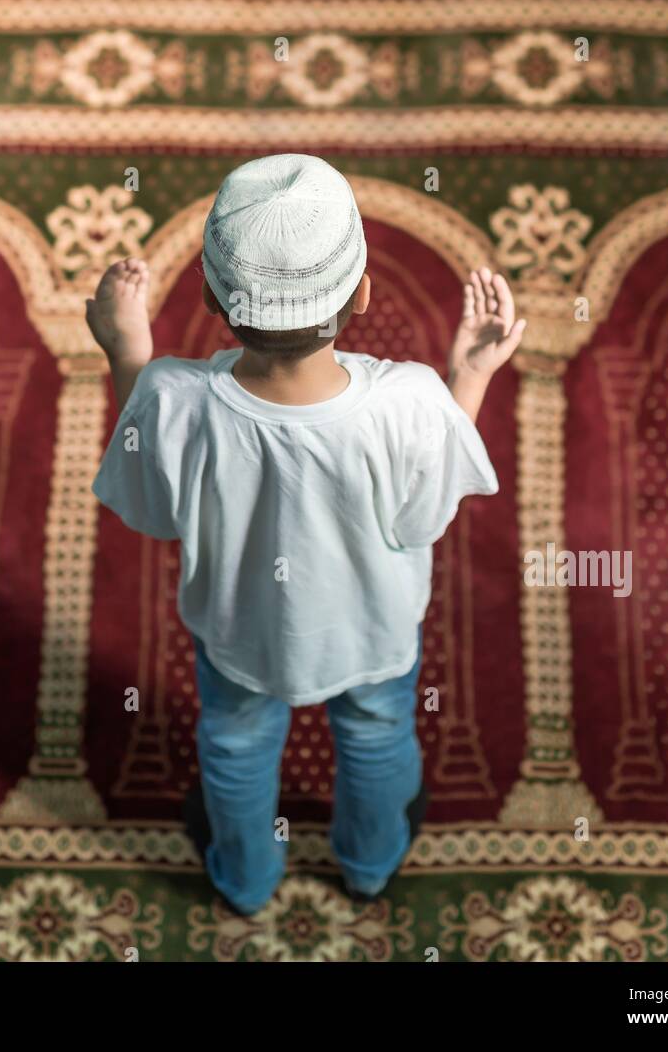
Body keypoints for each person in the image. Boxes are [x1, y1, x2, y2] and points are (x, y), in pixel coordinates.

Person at [88, 154, 525, 914]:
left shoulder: (171, 395)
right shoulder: (411, 401)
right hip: (373, 634)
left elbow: (152, 503)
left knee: (234, 745)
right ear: (361, 295)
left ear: (209, 298)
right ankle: (370, 861)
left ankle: (247, 879)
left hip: (240, 636)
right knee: (380, 733)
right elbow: (425, 515)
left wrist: (126, 350)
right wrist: (473, 373)